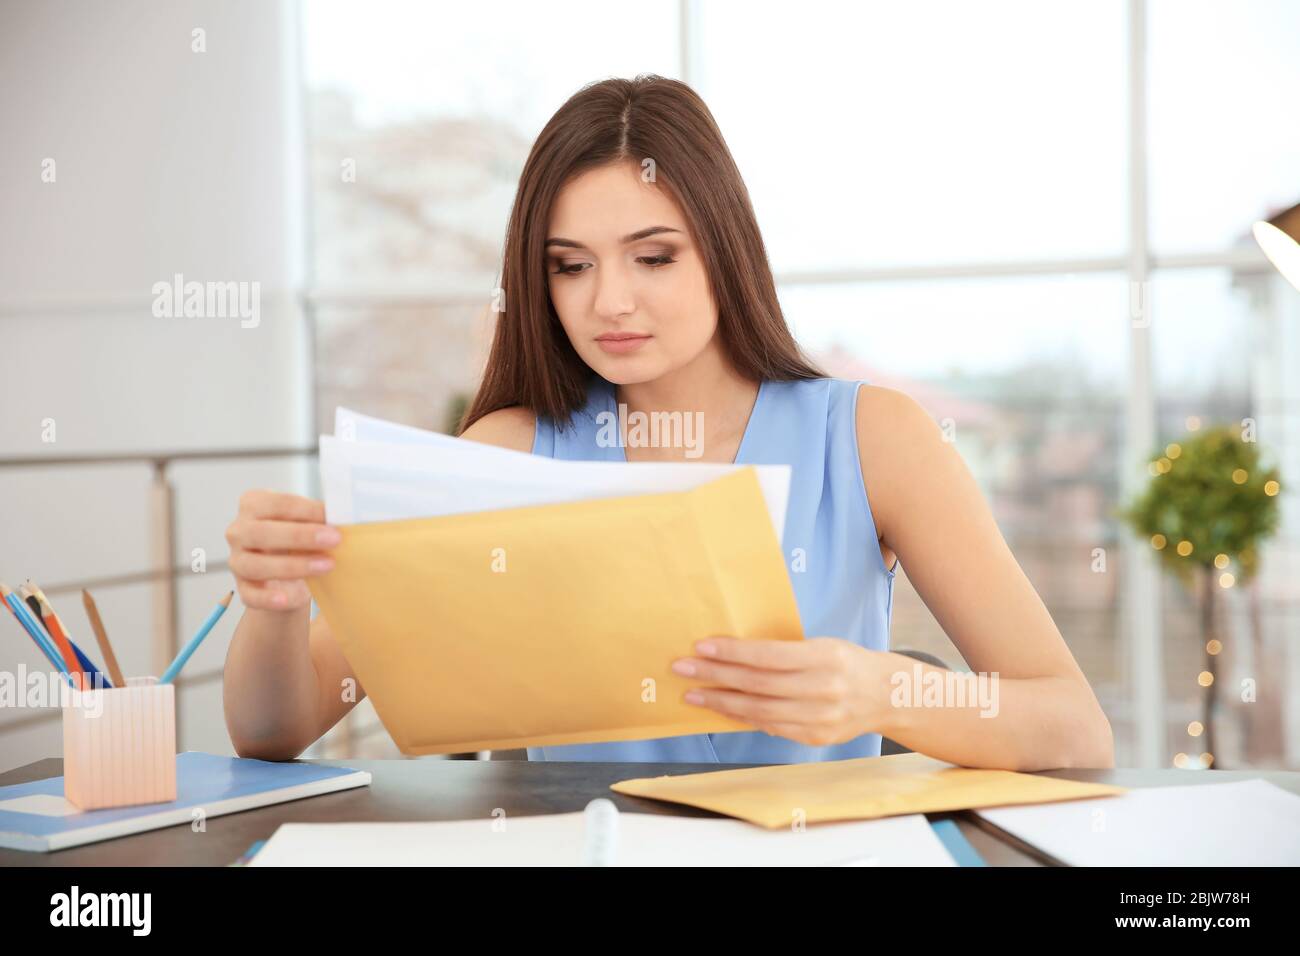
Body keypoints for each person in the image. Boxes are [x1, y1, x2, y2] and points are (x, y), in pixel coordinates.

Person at [224, 75, 1113, 770]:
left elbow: (1073, 727)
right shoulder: (503, 455)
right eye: (570, 267)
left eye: (653, 256)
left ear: (724, 248)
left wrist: (885, 694)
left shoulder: (875, 439)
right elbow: (278, 730)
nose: (610, 301)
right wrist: (274, 606)